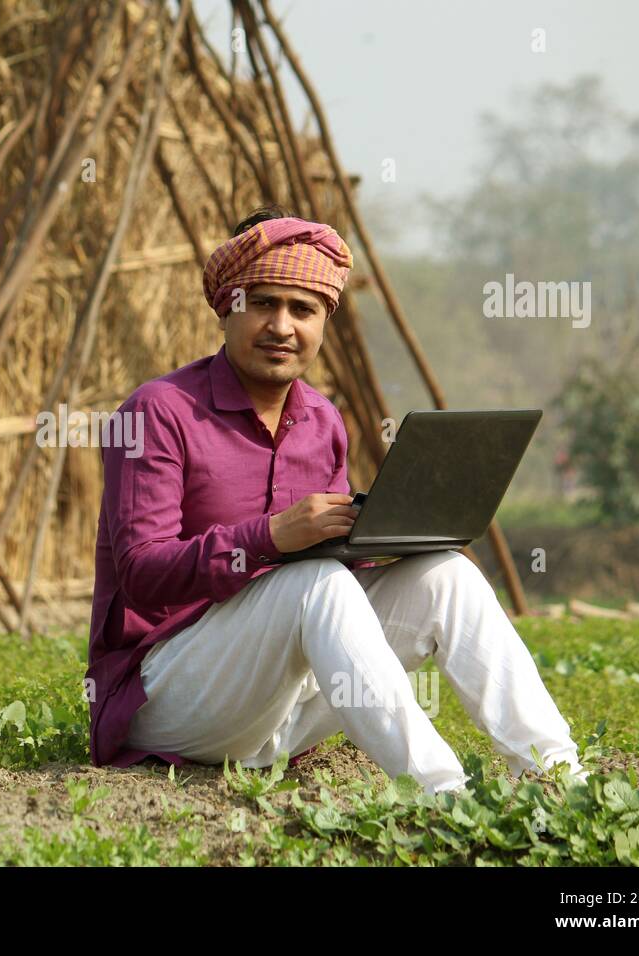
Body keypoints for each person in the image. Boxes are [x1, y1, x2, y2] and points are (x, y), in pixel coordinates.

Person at [84, 205, 588, 795]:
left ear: (325, 320)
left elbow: (340, 584)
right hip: (167, 700)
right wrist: (270, 536)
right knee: (313, 582)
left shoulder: (322, 420)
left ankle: (558, 780)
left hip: (277, 718)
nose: (282, 326)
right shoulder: (159, 411)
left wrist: (400, 536)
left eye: (303, 309)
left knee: (448, 576)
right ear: (228, 307)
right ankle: (446, 795)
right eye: (263, 303)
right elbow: (142, 574)